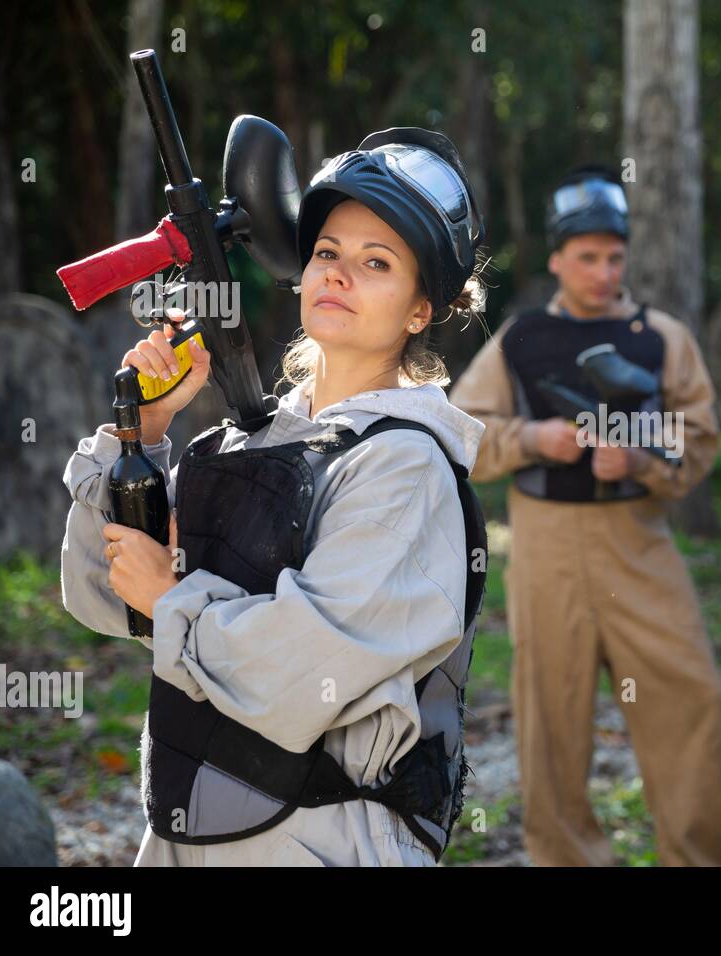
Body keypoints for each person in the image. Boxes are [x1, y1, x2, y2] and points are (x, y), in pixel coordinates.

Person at [60, 127, 490, 867]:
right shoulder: (245, 444)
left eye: (377, 262)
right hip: (189, 826)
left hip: (318, 841)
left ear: (421, 310)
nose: (340, 273)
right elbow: (105, 598)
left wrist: (173, 603)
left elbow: (303, 672)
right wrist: (146, 432)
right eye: (327, 252)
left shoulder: (406, 468)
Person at [449, 166, 721, 866]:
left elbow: (699, 438)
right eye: (587, 256)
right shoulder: (522, 337)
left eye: (615, 256)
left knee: (690, 698)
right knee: (553, 721)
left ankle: (704, 855)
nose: (603, 271)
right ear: (557, 258)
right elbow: (461, 430)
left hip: (641, 541)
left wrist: (640, 459)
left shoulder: (660, 337)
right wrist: (535, 440)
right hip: (549, 547)